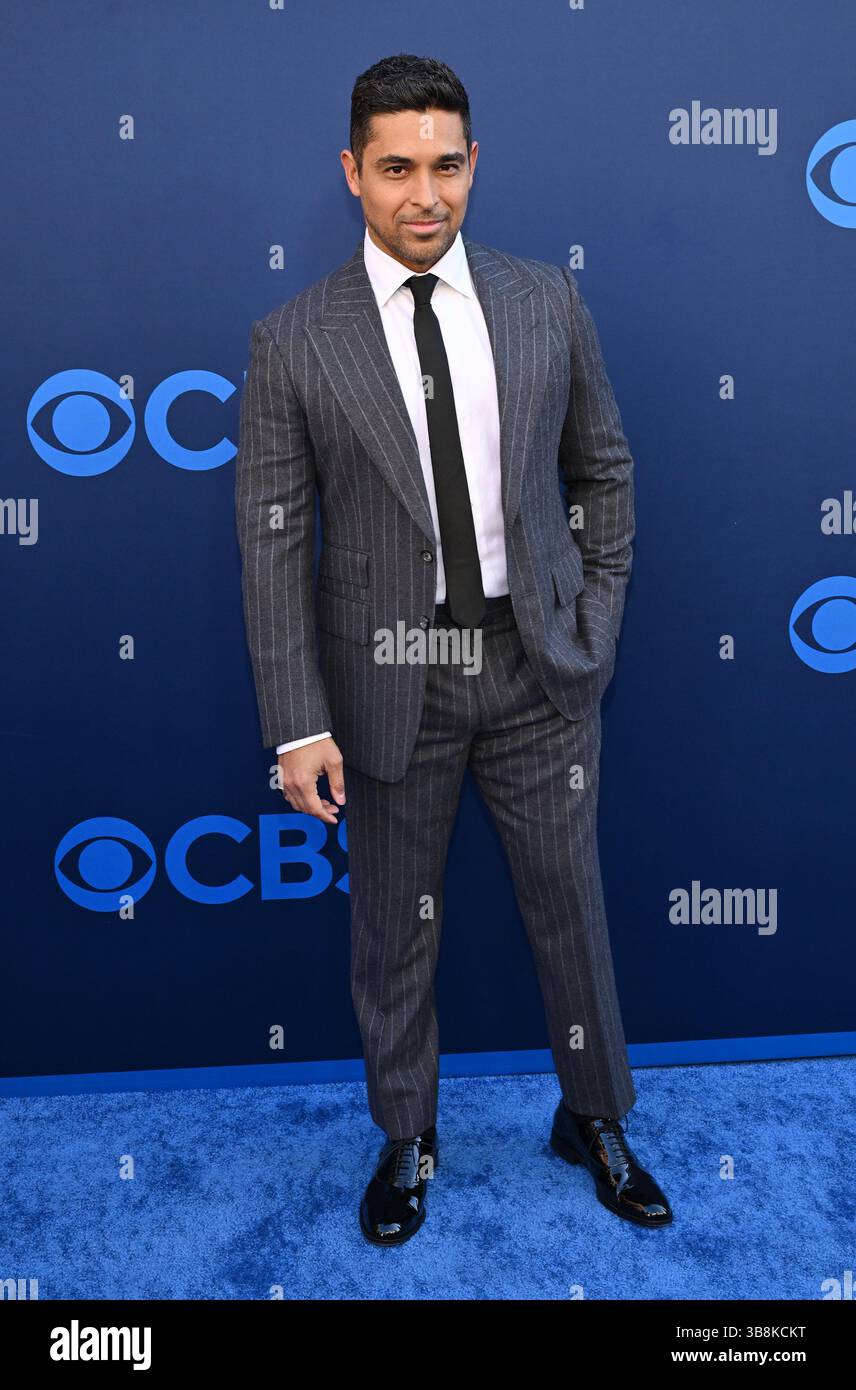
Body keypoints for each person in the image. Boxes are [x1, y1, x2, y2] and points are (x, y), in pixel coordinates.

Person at [235, 52, 672, 1245]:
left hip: (538, 670)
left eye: (444, 166)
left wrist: (593, 619)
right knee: (392, 926)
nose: (422, 196)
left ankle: (592, 1116)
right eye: (394, 170)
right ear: (352, 174)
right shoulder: (293, 340)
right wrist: (298, 720)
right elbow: (273, 548)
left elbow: (605, 471)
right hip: (389, 684)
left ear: (472, 163)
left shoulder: (545, 300)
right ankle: (408, 1132)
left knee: (569, 908)